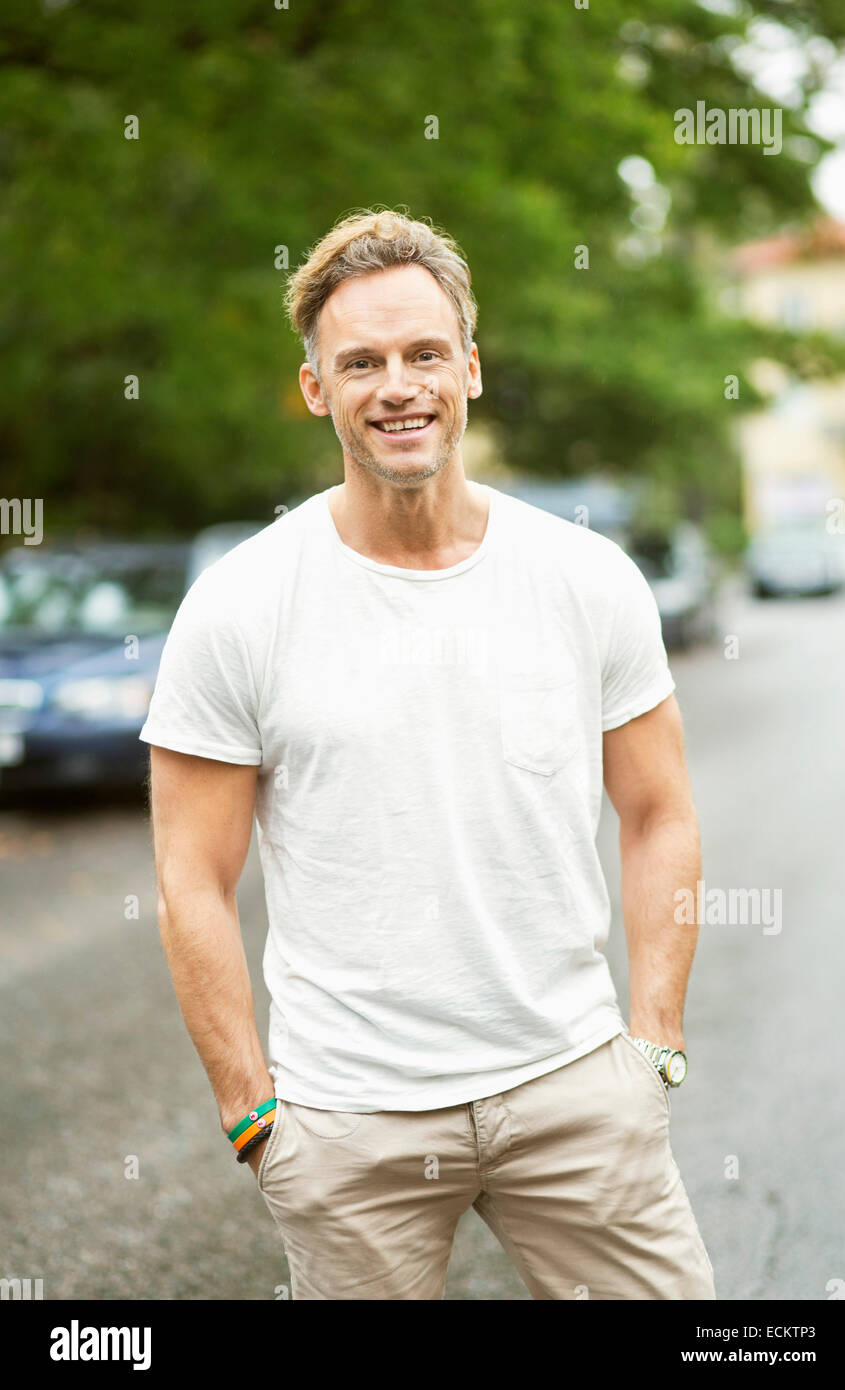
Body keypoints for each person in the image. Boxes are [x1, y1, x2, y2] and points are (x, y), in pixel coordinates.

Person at [141, 207, 716, 1301]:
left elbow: (658, 814)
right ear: (317, 389)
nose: (395, 385)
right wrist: (252, 1109)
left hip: (573, 1090)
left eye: (422, 354)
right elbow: (189, 877)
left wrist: (653, 1042)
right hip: (350, 1123)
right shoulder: (238, 607)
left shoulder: (583, 578)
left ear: (470, 368)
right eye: (359, 362)